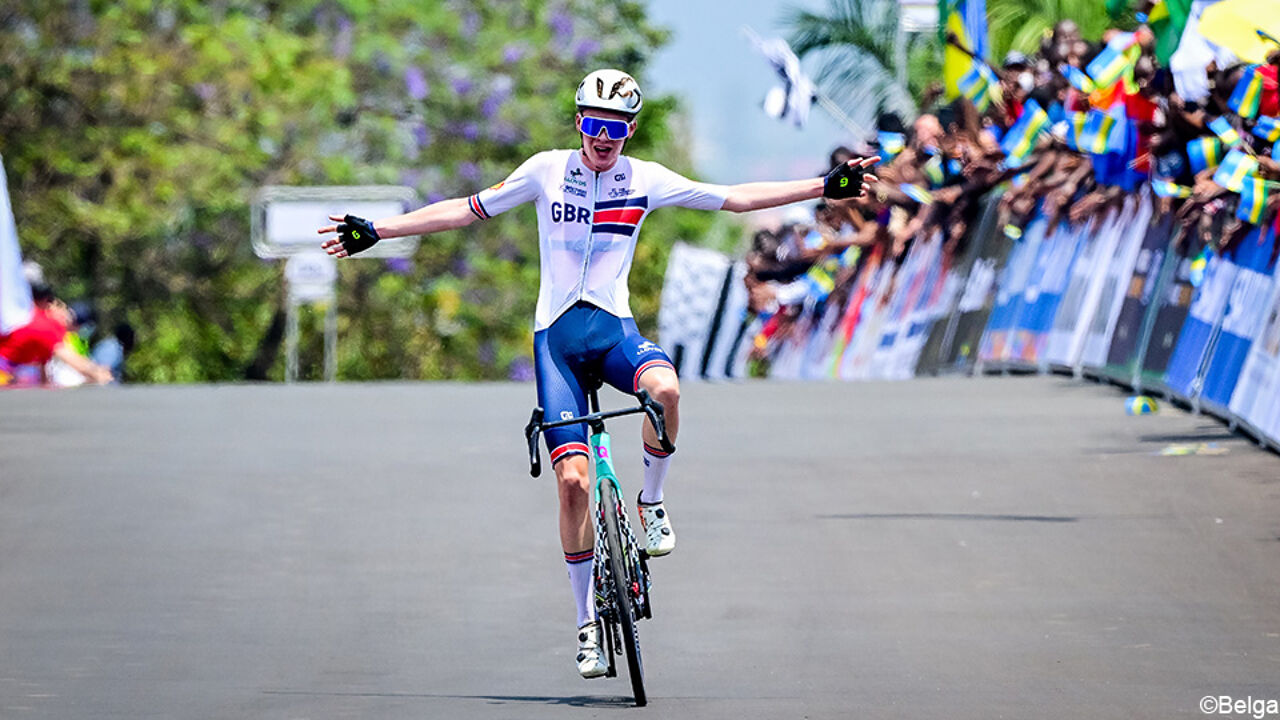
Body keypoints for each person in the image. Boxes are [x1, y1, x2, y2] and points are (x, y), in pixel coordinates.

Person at [317, 68, 878, 679]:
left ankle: (652, 501)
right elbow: (464, 211)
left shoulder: (647, 180)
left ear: (630, 130)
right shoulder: (545, 170)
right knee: (574, 486)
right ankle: (586, 623)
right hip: (556, 342)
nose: (602, 137)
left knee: (664, 389)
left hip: (613, 330)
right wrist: (379, 229)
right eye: (592, 123)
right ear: (578, 121)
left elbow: (736, 197)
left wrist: (825, 185)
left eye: (614, 127)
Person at [0, 285, 112, 387]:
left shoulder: (39, 319)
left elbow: (44, 367)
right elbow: (74, 361)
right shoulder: (48, 329)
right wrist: (98, 373)